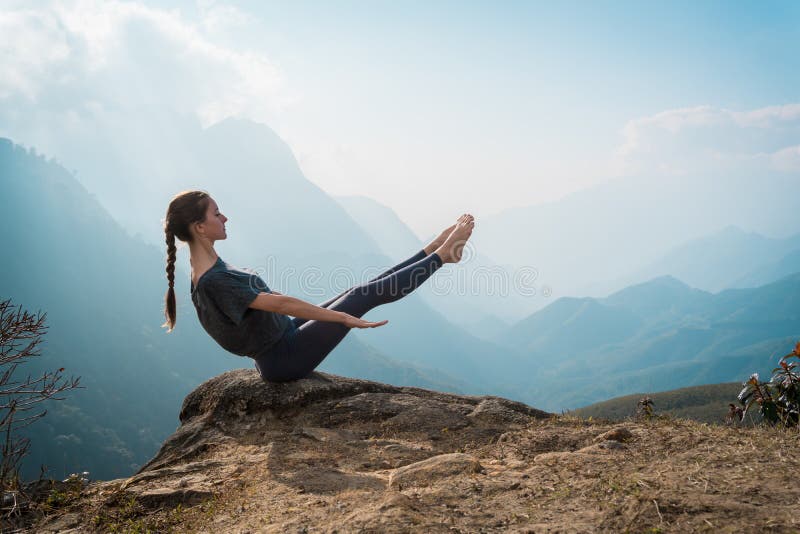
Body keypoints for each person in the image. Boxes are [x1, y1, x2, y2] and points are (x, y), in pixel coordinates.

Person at [162, 190, 475, 382]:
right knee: (360, 298)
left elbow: (269, 304)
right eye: (217, 214)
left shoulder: (205, 271)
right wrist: (343, 318)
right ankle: (442, 256)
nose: (225, 217)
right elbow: (280, 305)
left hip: (279, 337)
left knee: (359, 290)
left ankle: (430, 252)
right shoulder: (215, 280)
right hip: (282, 358)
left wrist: (333, 312)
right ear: (200, 227)